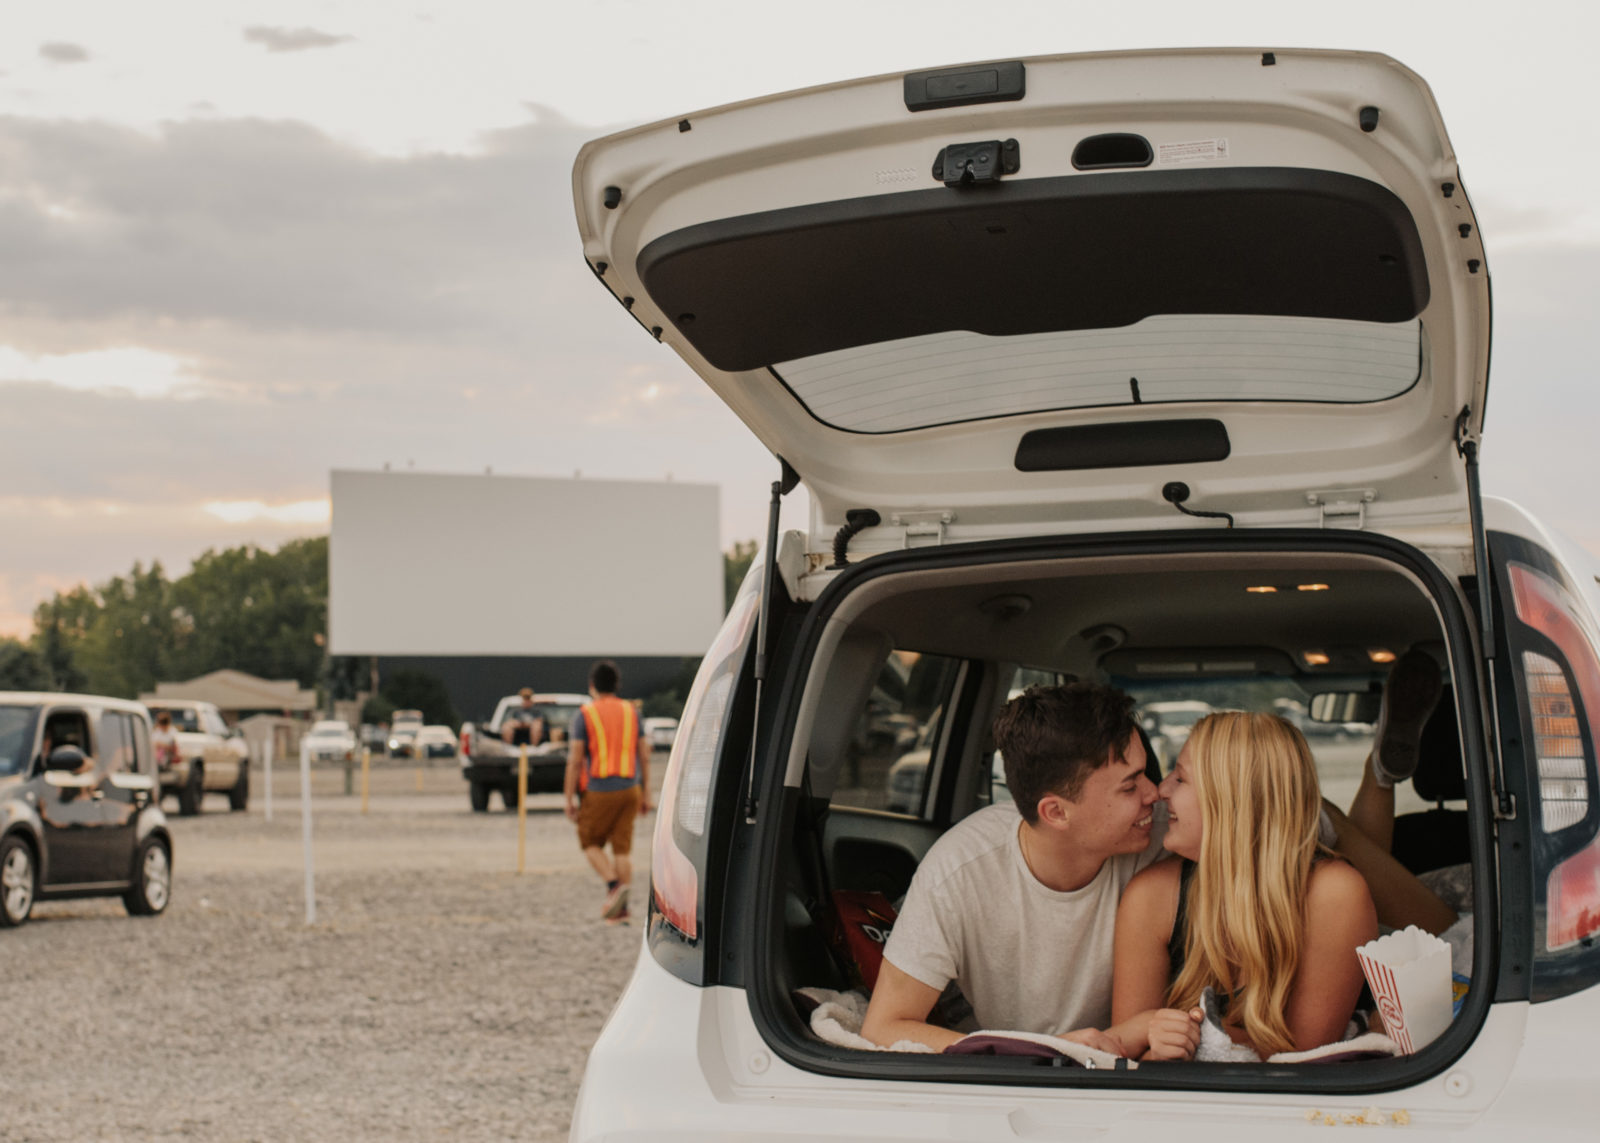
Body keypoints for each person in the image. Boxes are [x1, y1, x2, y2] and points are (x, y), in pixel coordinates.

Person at [860, 682, 1164, 1054]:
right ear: (1056, 812)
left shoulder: (1167, 838)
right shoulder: (960, 871)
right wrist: (1036, 1053)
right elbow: (884, 1027)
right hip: (1002, 1085)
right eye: (1130, 787)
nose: (1155, 793)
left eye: (1146, 773)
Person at [1111, 712, 1379, 1060]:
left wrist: (1189, 1038)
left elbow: (1305, 1058)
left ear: (1233, 800)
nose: (1161, 790)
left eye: (1181, 778)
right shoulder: (1151, 895)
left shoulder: (1334, 893)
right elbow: (1128, 1052)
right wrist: (1155, 1048)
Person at [564, 661, 653, 923]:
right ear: (617, 685)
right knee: (622, 850)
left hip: (600, 789)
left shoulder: (585, 714)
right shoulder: (632, 712)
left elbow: (576, 759)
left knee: (589, 842)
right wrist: (647, 791)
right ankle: (620, 911)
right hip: (630, 788)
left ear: (592, 686)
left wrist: (569, 797)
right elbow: (644, 755)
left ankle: (614, 887)